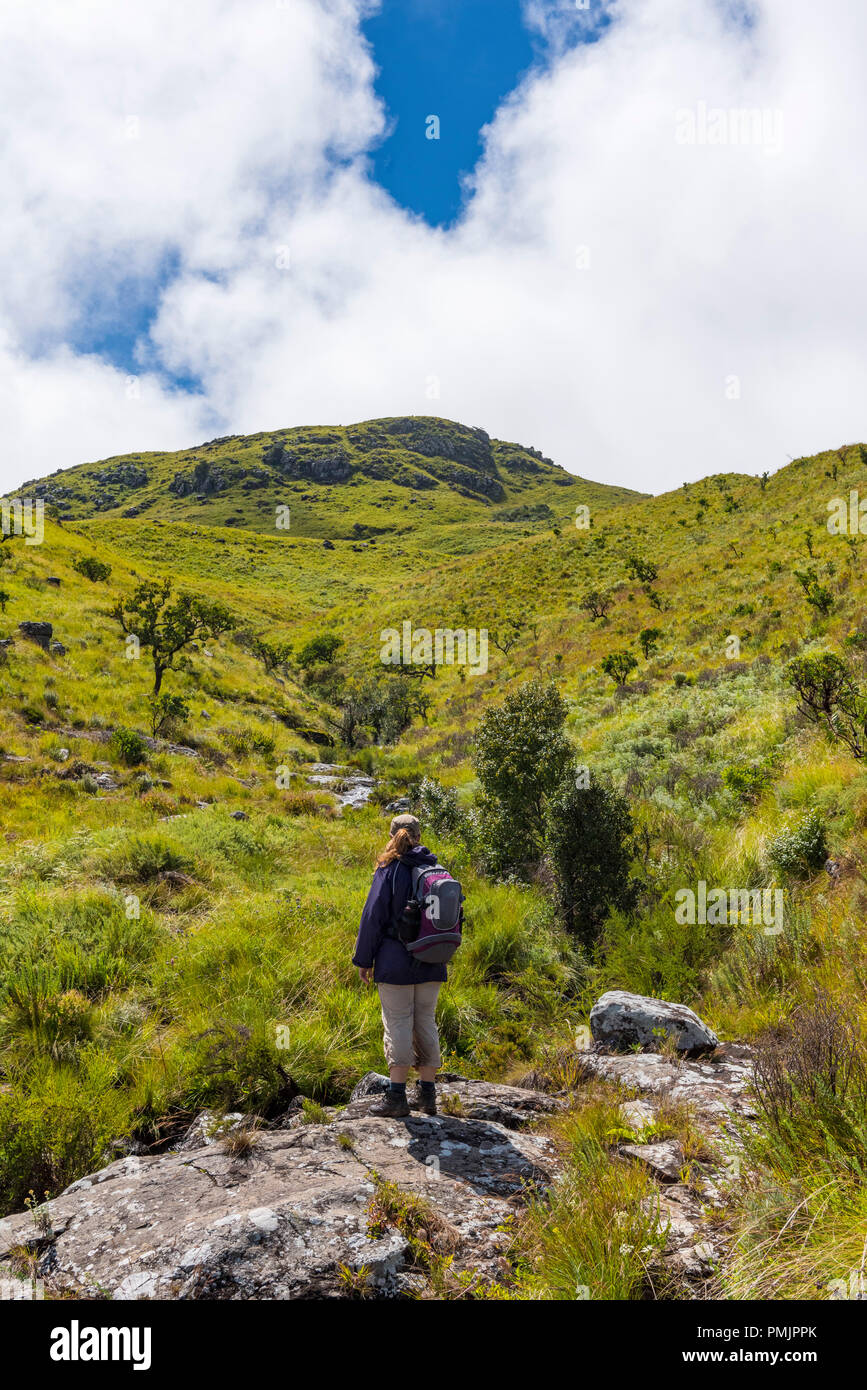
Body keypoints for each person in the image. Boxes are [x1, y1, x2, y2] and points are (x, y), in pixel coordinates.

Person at [352, 813, 449, 1117]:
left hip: (396, 961)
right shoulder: (436, 868)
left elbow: (373, 917)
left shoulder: (390, 869)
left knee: (398, 1022)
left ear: (391, 834)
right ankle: (428, 1095)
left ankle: (396, 1098)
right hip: (433, 959)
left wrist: (363, 960)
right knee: (425, 1020)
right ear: (420, 836)